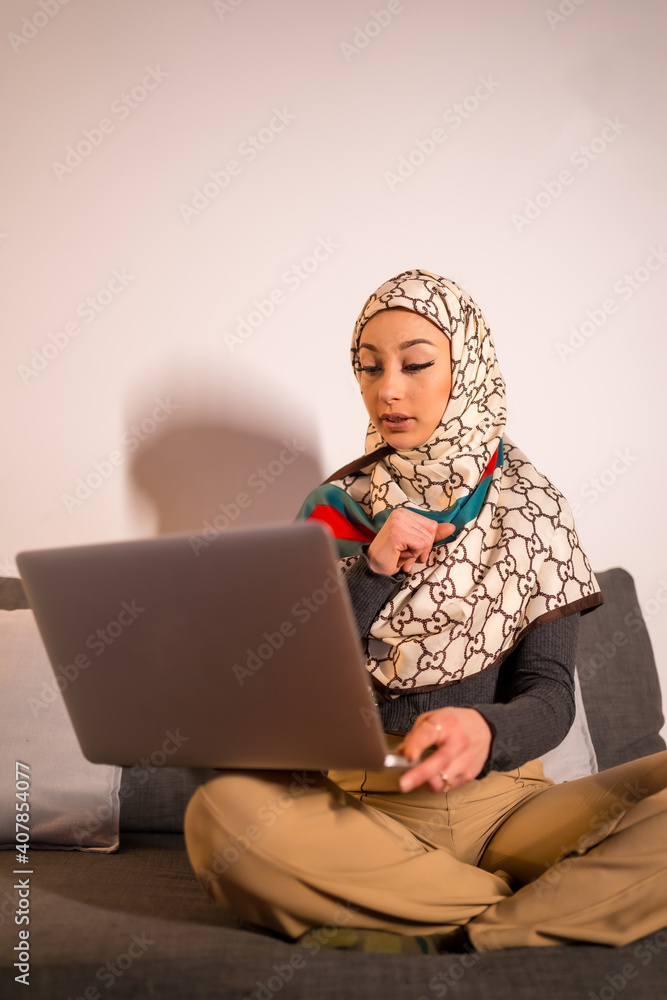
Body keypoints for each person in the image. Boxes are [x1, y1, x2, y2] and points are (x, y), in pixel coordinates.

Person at [184, 269, 667, 952]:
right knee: (219, 816)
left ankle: (435, 922)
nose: (388, 390)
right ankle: (539, 912)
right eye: (367, 367)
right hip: (357, 810)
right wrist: (373, 571)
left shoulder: (531, 512)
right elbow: (289, 685)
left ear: (464, 368)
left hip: (509, 810)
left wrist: (484, 730)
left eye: (414, 364)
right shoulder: (332, 510)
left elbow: (550, 698)